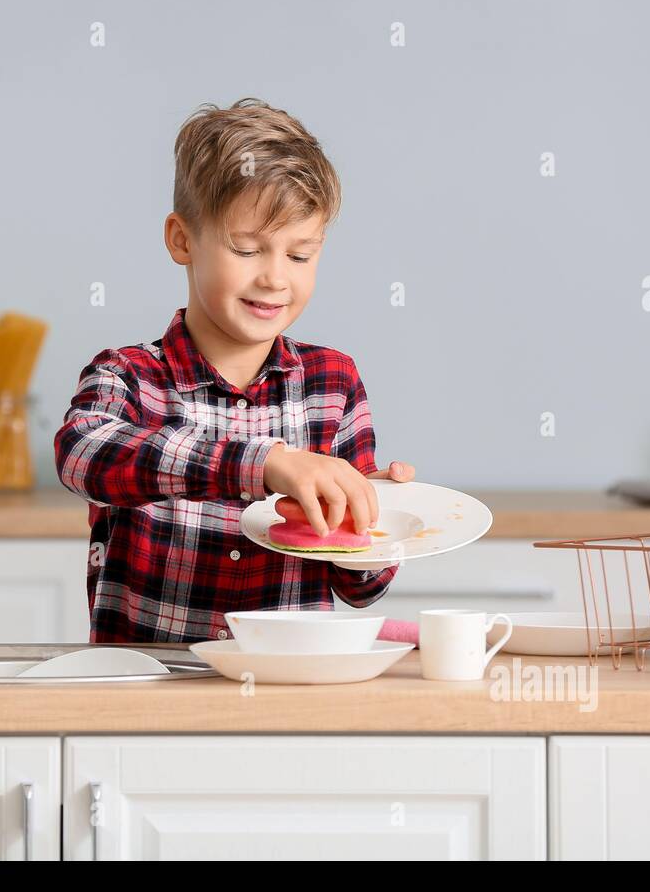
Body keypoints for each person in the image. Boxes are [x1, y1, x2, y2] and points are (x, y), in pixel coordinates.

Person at [54, 98, 416, 644]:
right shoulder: (127, 375)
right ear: (182, 240)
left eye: (300, 256)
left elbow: (362, 588)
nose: (275, 278)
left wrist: (366, 519)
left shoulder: (333, 381)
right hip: (149, 696)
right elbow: (83, 456)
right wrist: (266, 462)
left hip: (286, 698)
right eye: (247, 250)